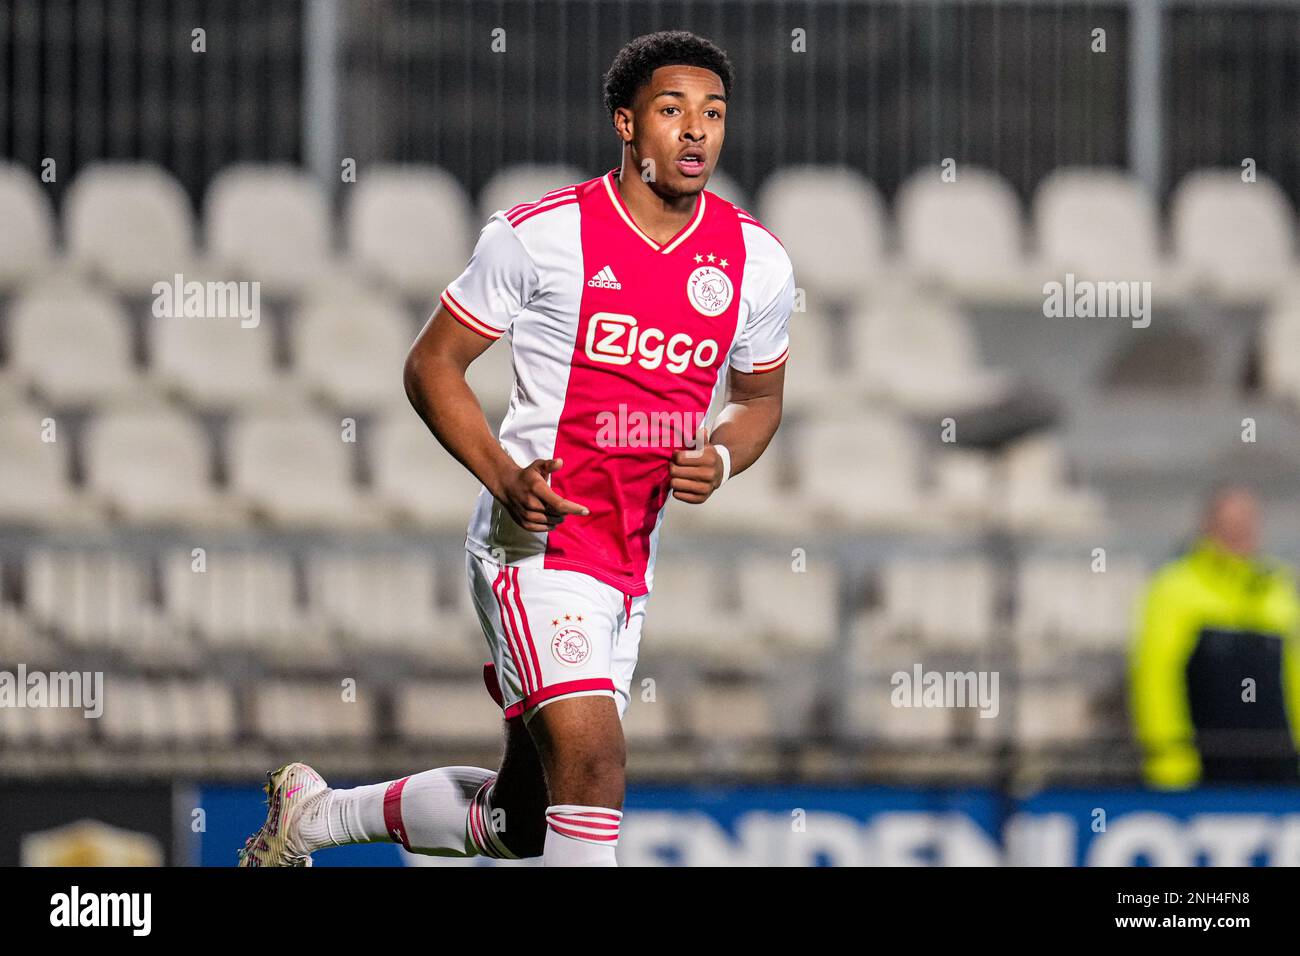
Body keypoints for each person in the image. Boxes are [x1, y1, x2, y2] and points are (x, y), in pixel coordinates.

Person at [239, 30, 794, 867]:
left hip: (624, 567)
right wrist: (504, 478)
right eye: (672, 110)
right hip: (533, 549)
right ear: (625, 123)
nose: (695, 132)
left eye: (713, 114)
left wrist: (719, 457)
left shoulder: (756, 261)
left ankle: (317, 815)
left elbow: (759, 400)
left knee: (522, 822)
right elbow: (432, 365)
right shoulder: (540, 237)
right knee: (597, 760)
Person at [1129, 485, 1300, 788]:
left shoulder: (1277, 587)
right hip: (1205, 768)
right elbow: (1155, 677)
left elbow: (1294, 678)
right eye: (1229, 524)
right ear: (1207, 527)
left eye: (1246, 522)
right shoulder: (1174, 586)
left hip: (1278, 765)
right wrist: (1170, 760)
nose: (1238, 532)